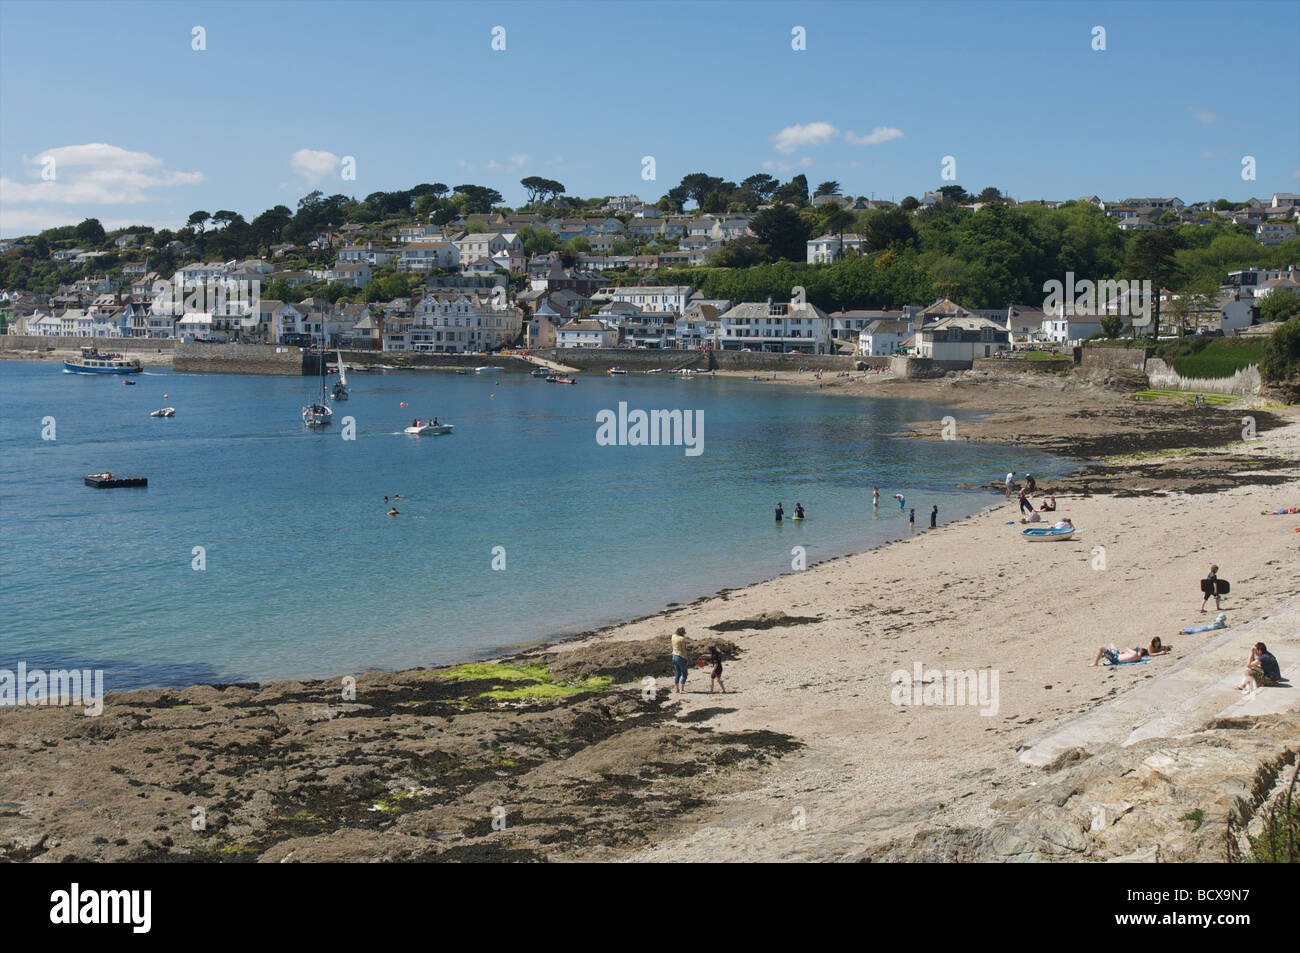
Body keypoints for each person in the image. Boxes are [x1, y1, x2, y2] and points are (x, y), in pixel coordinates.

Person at [671, 627, 689, 694]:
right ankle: (682, 690)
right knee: (685, 673)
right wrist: (686, 658)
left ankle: (676, 689)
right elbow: (683, 650)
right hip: (680, 656)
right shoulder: (682, 639)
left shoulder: (673, 636)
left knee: (677, 673)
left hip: (673, 655)